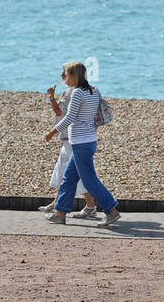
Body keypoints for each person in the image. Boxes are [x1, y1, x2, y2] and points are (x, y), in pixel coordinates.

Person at [44, 61, 121, 226]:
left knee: (90, 181)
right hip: (88, 140)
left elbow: (69, 118)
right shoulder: (95, 91)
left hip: (80, 142)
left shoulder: (78, 93)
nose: (65, 79)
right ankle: (60, 213)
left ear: (74, 75)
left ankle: (111, 210)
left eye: (66, 74)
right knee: (69, 179)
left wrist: (52, 132)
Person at [38, 66, 99, 217]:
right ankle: (57, 205)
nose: (62, 77)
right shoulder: (92, 90)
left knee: (75, 175)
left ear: (73, 76)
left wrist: (51, 97)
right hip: (81, 138)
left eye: (64, 74)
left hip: (72, 139)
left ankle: (92, 207)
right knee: (63, 172)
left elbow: (61, 113)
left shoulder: (73, 92)